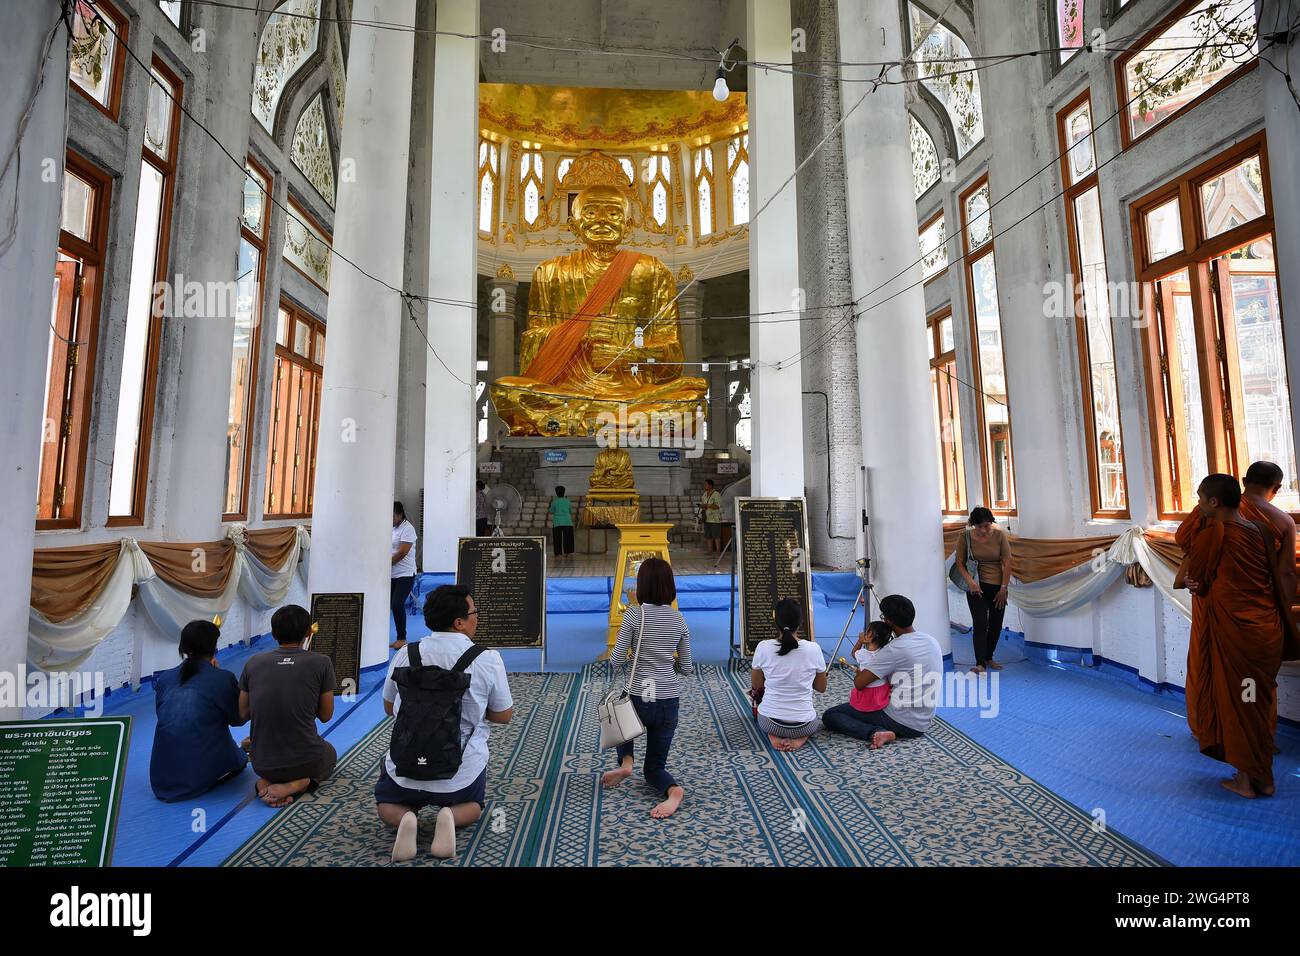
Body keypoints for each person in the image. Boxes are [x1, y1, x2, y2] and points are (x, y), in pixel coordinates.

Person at [377, 585, 513, 861]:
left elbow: (390, 708)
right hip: (458, 772)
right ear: (459, 622)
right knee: (473, 805)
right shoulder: (487, 658)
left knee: (387, 803)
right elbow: (503, 715)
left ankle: (406, 819)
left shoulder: (407, 654)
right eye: (475, 612)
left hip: (406, 765)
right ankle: (449, 816)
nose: (478, 617)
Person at [1175, 474, 1290, 799]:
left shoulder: (1216, 535)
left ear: (1213, 502)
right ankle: (1263, 778)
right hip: (1265, 633)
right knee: (1254, 703)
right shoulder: (1261, 531)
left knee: (1242, 703)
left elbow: (1192, 579)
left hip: (1238, 638)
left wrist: (1197, 584)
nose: (1198, 505)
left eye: (1199, 499)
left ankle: (1246, 780)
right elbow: (1274, 575)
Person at [601, 557, 693, 819]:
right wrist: (666, 661)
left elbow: (616, 660)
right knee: (654, 768)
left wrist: (635, 658)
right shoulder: (679, 620)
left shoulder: (634, 614)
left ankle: (626, 763)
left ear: (641, 586)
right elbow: (686, 667)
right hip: (668, 701)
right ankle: (673, 790)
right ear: (669, 586)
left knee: (620, 719)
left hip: (639, 697)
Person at [239, 605, 337, 808]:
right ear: (309, 633)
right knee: (329, 753)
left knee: (257, 746)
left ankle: (266, 783)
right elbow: (326, 715)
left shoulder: (253, 663)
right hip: (306, 761)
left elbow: (243, 713)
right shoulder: (322, 662)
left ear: (273, 634)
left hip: (263, 764)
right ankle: (300, 783)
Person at [822, 594, 943, 749]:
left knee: (831, 716)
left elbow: (859, 683)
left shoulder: (894, 649)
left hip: (898, 720)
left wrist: (862, 667)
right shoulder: (931, 641)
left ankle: (875, 732)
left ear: (888, 621)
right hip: (924, 721)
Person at [149, 620, 248, 802]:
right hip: (195, 776)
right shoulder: (222, 678)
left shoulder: (165, 679)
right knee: (241, 760)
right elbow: (238, 718)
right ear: (214, 646)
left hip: (161, 779)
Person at [750, 598, 827, 752]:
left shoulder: (763, 647)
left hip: (769, 722)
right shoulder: (814, 649)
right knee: (814, 721)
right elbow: (821, 688)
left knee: (757, 705)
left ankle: (774, 735)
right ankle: (800, 738)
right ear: (800, 622)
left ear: (775, 620)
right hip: (804, 725)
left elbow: (757, 686)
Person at [953, 506, 1012, 673]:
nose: (984, 530)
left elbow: (1008, 562)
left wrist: (1004, 588)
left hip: (998, 586)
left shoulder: (1000, 535)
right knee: (980, 624)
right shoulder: (965, 537)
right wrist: (970, 582)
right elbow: (959, 562)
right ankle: (980, 663)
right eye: (980, 527)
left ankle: (989, 657)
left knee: (995, 624)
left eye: (987, 525)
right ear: (973, 525)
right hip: (976, 587)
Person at [1241, 461, 1298, 606]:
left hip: (1222, 597)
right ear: (1277, 487)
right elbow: (1287, 572)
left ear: (1244, 482)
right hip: (1262, 601)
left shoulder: (1218, 511)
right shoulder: (1284, 521)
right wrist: (1285, 613)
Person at [391, 501, 418, 650]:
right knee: (390, 605)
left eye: (393, 515)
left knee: (397, 604)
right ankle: (396, 637)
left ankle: (402, 638)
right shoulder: (391, 528)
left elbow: (402, 552)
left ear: (400, 514)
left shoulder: (408, 529)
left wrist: (384, 564)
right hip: (392, 574)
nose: (390, 518)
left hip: (405, 573)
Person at [549, 485, 575, 559]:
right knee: (568, 538)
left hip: (557, 522)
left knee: (557, 538)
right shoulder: (567, 501)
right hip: (567, 521)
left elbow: (551, 510)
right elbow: (570, 511)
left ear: (556, 493)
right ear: (564, 492)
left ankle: (558, 553)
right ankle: (568, 552)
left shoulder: (555, 501)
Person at [700, 479, 723, 554]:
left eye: (706, 484)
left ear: (710, 485)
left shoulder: (716, 494)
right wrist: (702, 506)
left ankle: (718, 550)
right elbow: (703, 503)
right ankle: (710, 550)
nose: (705, 486)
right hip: (707, 518)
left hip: (715, 518)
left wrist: (707, 505)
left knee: (716, 536)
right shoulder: (704, 494)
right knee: (708, 536)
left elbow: (717, 506)